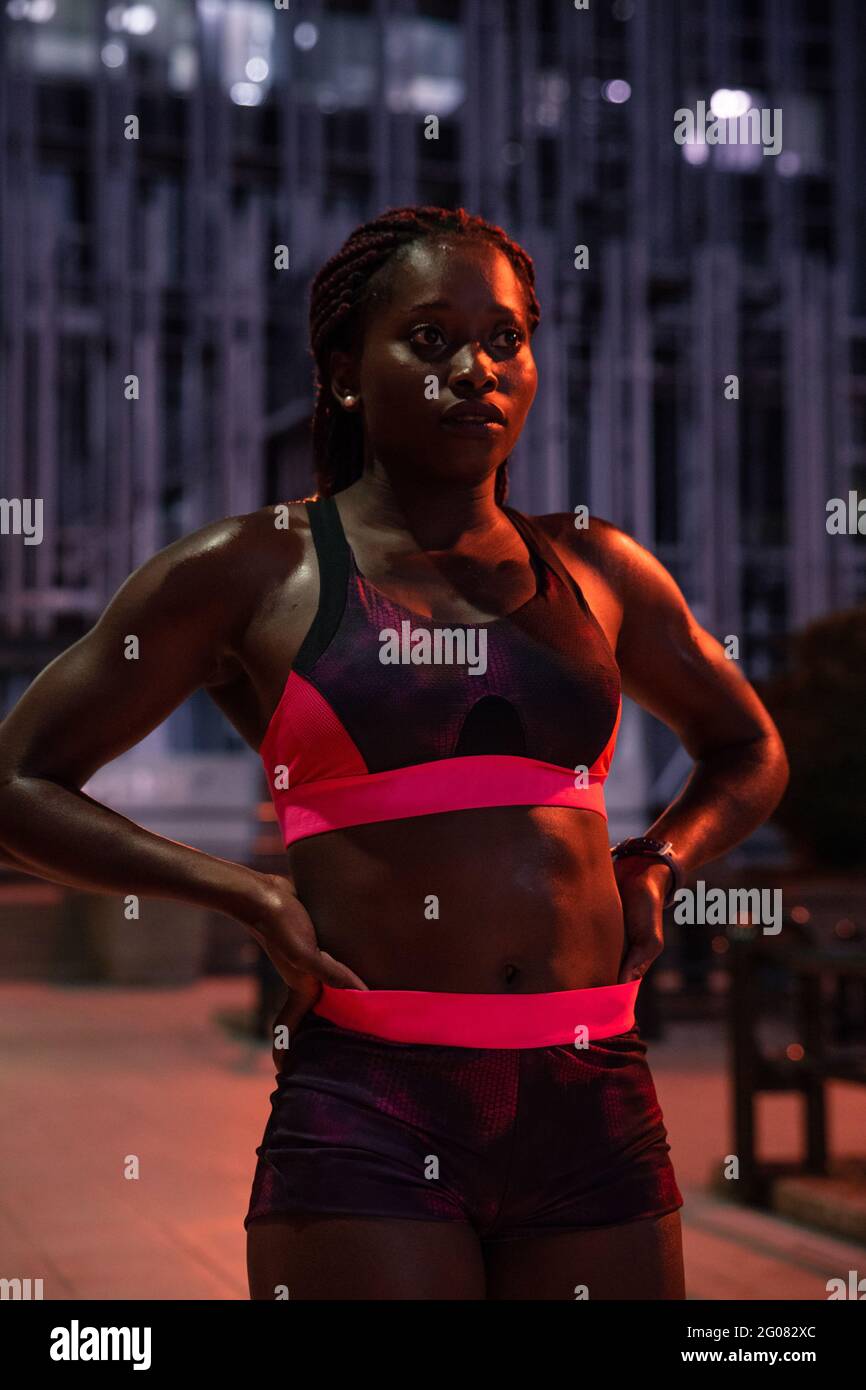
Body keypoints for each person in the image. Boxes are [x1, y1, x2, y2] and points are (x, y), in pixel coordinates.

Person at [0, 205, 789, 1301]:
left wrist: (657, 862)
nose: (475, 368)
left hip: (593, 1091)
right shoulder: (255, 568)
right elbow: (18, 782)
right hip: (368, 1104)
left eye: (504, 339)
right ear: (343, 372)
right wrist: (241, 892)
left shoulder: (596, 564)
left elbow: (746, 746)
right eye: (430, 338)